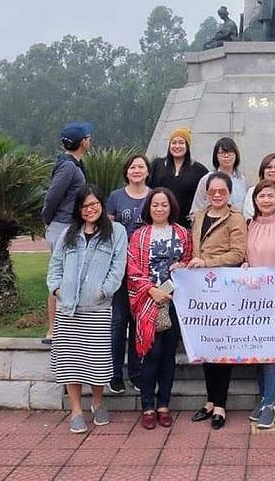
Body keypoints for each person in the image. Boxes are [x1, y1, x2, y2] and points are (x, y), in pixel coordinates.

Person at [47, 184, 127, 433]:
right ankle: (76, 410)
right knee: (70, 362)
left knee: (98, 361)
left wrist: (103, 291)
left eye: (94, 204)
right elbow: (55, 267)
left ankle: (98, 402)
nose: (89, 209)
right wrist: (57, 289)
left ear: (101, 205)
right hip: (69, 309)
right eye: (84, 206)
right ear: (78, 209)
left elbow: (117, 268)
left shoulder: (116, 231)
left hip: (98, 308)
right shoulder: (69, 233)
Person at [127, 187, 193, 430]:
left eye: (164, 204)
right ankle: (147, 406)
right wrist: (152, 291)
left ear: (171, 207)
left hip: (176, 301)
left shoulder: (183, 234)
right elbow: (132, 269)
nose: (159, 209)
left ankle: (164, 404)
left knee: (168, 356)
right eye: (155, 204)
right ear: (149, 207)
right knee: (151, 355)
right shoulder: (139, 236)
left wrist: (184, 267)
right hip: (148, 301)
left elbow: (189, 260)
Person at [189, 172, 247, 430]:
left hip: (225, 288)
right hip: (201, 290)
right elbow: (195, 249)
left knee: (222, 346)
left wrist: (207, 263)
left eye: (222, 191)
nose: (216, 195)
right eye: (212, 190)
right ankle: (210, 399)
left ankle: (221, 404)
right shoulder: (200, 215)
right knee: (206, 346)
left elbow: (237, 253)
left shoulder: (235, 218)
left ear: (229, 193)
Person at [244, 179, 275, 428]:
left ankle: (270, 404)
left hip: (273, 300)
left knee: (272, 353)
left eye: (270, 196)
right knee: (256, 351)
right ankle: (263, 397)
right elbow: (247, 258)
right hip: (251, 300)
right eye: (261, 196)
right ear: (255, 200)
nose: (265, 200)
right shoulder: (249, 225)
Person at [41, 122, 92, 344]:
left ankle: (68, 327)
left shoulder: (74, 164)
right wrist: (47, 219)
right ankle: (53, 330)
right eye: (88, 137)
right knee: (58, 277)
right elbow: (53, 196)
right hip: (62, 226)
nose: (90, 140)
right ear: (83, 142)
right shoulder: (68, 167)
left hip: (71, 226)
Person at [106, 154, 152, 394]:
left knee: (137, 322)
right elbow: (108, 230)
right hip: (121, 269)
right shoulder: (116, 197)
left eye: (141, 166)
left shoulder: (154, 195)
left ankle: (136, 373)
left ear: (147, 171)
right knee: (118, 321)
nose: (136, 170)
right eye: (132, 167)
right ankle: (115, 374)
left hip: (145, 271)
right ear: (127, 171)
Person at [149, 127, 208, 229]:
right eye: (174, 142)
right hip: (158, 222)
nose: (177, 146)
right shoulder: (157, 165)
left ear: (187, 146)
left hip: (187, 226)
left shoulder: (199, 170)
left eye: (181, 143)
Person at [190, 137, 247, 215]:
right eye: (222, 153)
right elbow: (196, 210)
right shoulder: (207, 179)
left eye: (230, 152)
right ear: (216, 156)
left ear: (236, 155)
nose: (226, 156)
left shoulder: (242, 180)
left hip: (238, 224)